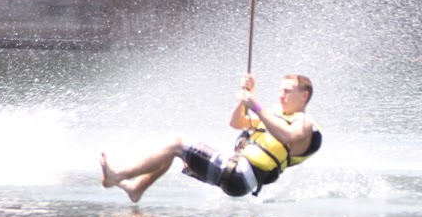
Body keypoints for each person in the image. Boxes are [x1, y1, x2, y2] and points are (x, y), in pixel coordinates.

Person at [100, 73, 320, 203]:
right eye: (281, 90)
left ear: (304, 95)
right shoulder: (274, 115)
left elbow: (288, 135)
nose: (281, 94)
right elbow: (236, 123)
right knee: (173, 151)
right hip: (235, 173)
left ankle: (118, 174)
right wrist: (244, 98)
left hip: (241, 176)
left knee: (177, 142)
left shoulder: (303, 122)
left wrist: (255, 105)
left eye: (288, 91)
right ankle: (137, 188)